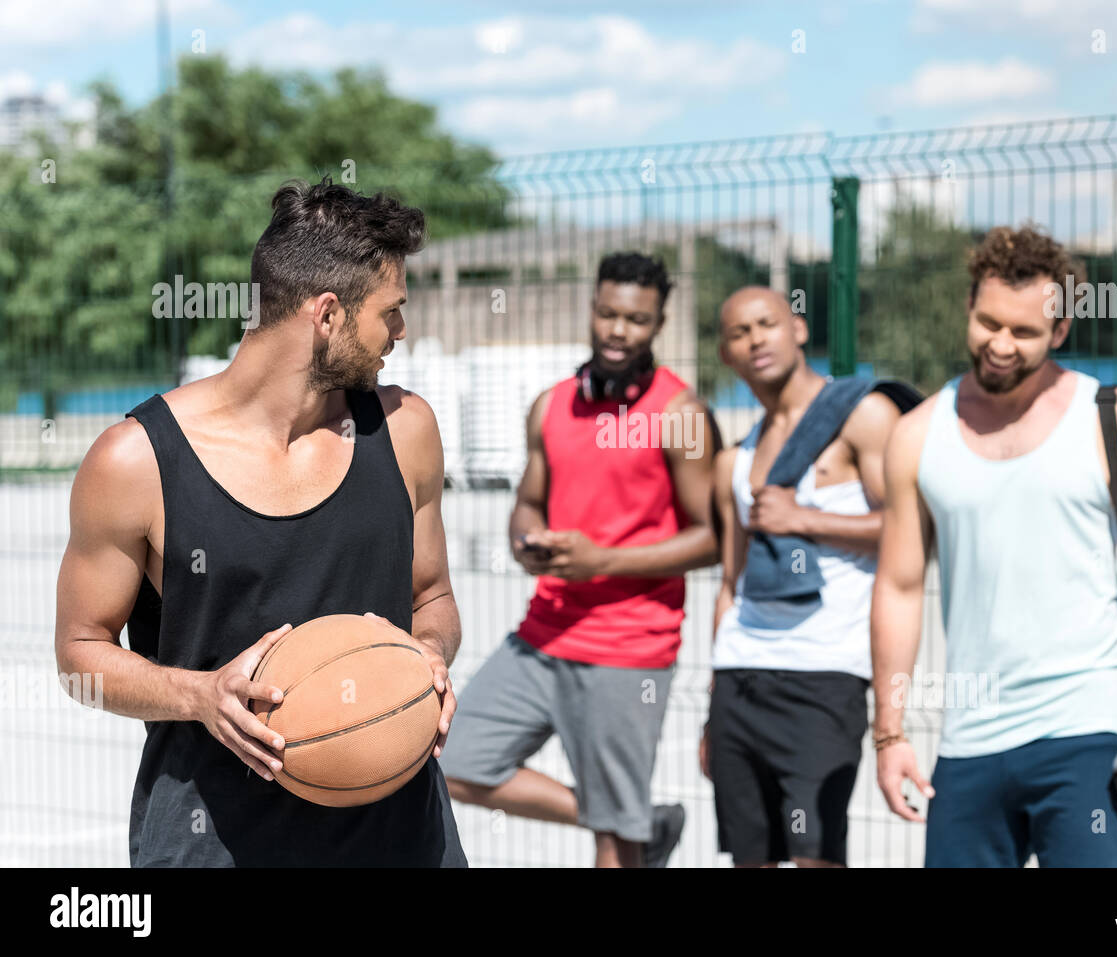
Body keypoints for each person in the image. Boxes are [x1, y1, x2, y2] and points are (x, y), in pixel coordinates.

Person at [54, 178, 465, 866]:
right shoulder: (136, 461)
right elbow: (77, 655)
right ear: (327, 313)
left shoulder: (405, 429)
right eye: (391, 312)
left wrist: (428, 653)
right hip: (215, 841)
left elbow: (435, 597)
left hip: (404, 836)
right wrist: (199, 693)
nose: (401, 332)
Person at [871, 224, 1117, 868]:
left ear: (1059, 332)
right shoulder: (916, 436)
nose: (1000, 345)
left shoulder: (1111, 416)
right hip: (969, 738)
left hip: (1086, 728)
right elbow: (899, 586)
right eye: (988, 322)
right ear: (968, 307)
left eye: (1023, 332)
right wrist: (890, 732)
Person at [440, 252, 718, 868]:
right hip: (544, 633)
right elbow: (527, 505)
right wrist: (525, 540)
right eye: (608, 313)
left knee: (614, 841)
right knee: (453, 761)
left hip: (629, 648)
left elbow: (714, 538)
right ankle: (642, 824)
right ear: (591, 309)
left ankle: (631, 827)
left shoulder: (681, 416)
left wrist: (603, 560)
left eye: (637, 320)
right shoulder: (551, 405)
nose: (619, 330)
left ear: (659, 324)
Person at [701, 286, 909, 867]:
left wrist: (804, 518)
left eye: (766, 323)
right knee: (752, 857)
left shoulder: (863, 416)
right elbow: (730, 584)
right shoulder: (734, 459)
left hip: (825, 674)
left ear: (798, 328)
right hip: (741, 676)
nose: (755, 339)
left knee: (817, 854)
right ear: (726, 354)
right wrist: (712, 704)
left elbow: (912, 529)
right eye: (739, 333)